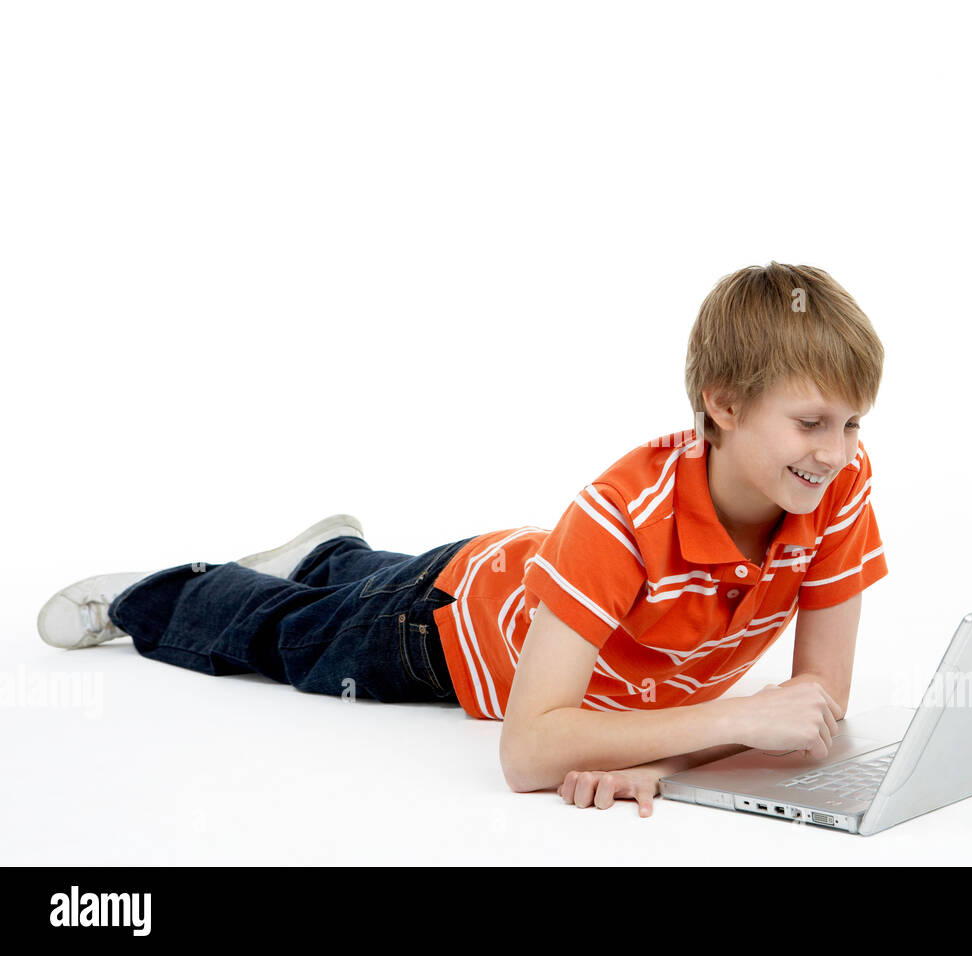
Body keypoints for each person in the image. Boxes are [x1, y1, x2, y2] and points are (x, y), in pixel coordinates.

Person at [36, 261, 888, 818]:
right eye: (811, 421)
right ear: (724, 406)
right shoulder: (622, 518)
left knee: (359, 580)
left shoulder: (837, 487)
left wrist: (663, 764)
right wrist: (729, 721)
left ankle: (330, 556)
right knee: (287, 636)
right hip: (440, 630)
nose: (837, 451)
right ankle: (149, 595)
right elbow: (527, 751)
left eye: (853, 423)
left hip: (522, 576)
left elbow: (815, 704)